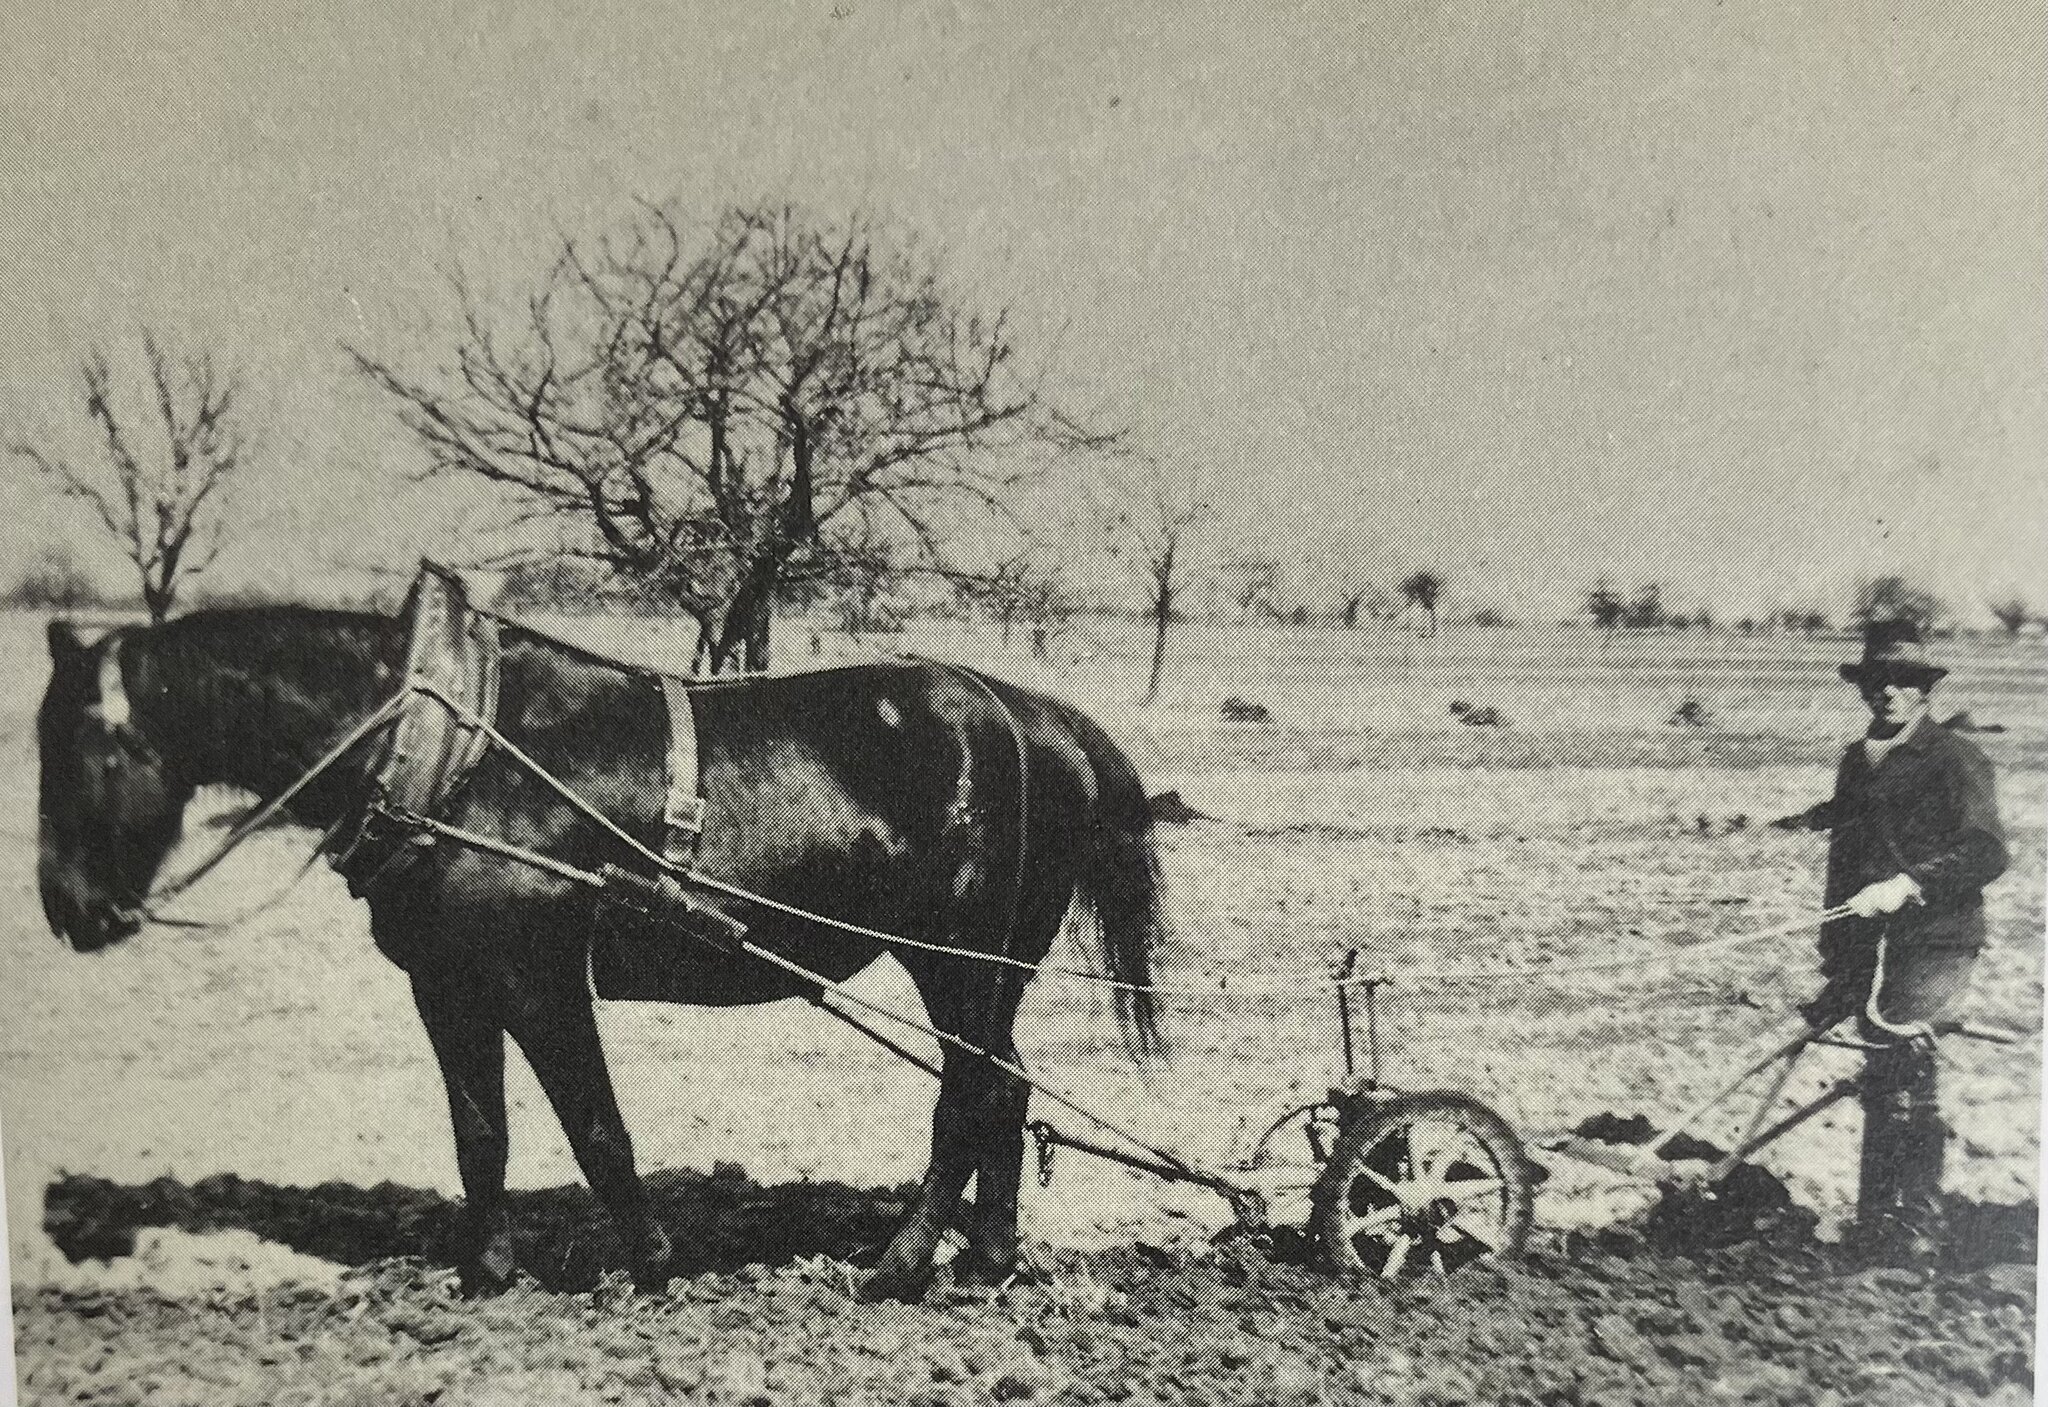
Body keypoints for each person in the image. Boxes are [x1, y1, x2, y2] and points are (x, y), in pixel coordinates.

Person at [1773, 618, 2008, 1265]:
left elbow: (1986, 851)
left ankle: (1913, 1227)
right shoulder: (1859, 759)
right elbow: (1845, 863)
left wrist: (1911, 882)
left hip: (1935, 940)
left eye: (1903, 682)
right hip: (1870, 941)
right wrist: (1838, 956)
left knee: (1907, 1072)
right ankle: (1876, 1222)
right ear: (1863, 688)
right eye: (1877, 681)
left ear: (1925, 690)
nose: (1889, 692)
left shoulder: (1956, 757)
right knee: (1883, 1078)